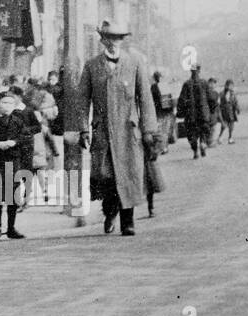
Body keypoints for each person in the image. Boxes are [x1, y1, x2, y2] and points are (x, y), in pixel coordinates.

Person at [77, 19, 158, 237]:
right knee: (107, 177)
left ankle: (128, 222)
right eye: (109, 38)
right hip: (103, 131)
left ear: (122, 40)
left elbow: (146, 98)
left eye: (117, 38)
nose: (113, 42)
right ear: (102, 40)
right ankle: (109, 212)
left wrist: (149, 129)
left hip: (128, 132)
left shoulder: (135, 63)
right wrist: (83, 129)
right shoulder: (92, 66)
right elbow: (83, 100)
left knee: (129, 175)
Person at [0, 90, 34, 238]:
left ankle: (11, 228)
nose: (7, 106)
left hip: (13, 160)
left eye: (10, 103)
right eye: (4, 102)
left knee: (13, 194)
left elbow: (27, 136)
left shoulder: (18, 121)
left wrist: (14, 142)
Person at [177, 66, 212, 159]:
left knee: (192, 134)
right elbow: (211, 98)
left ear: (191, 71)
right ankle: (203, 143)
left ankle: (195, 151)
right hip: (203, 114)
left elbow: (182, 99)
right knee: (204, 130)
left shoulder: (186, 84)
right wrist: (211, 110)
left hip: (191, 115)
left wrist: (180, 112)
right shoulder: (204, 83)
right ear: (199, 71)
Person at [151, 70, 175, 147]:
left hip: (159, 112)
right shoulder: (165, 86)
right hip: (166, 112)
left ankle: (164, 146)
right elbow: (170, 98)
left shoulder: (153, 87)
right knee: (166, 129)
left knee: (161, 130)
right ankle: (165, 146)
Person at [220, 79, 240, 144]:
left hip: (231, 111)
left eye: (232, 86)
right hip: (225, 111)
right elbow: (221, 102)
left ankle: (230, 138)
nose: (231, 87)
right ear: (226, 85)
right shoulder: (222, 93)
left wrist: (237, 108)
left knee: (231, 125)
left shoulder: (233, 93)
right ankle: (220, 137)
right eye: (229, 85)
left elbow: (235, 101)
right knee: (224, 125)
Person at [205, 78, 222, 148]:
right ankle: (208, 142)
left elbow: (218, 104)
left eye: (214, 83)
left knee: (213, 127)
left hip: (214, 112)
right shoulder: (205, 92)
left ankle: (210, 141)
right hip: (206, 112)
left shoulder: (216, 93)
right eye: (211, 83)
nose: (212, 85)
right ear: (208, 84)